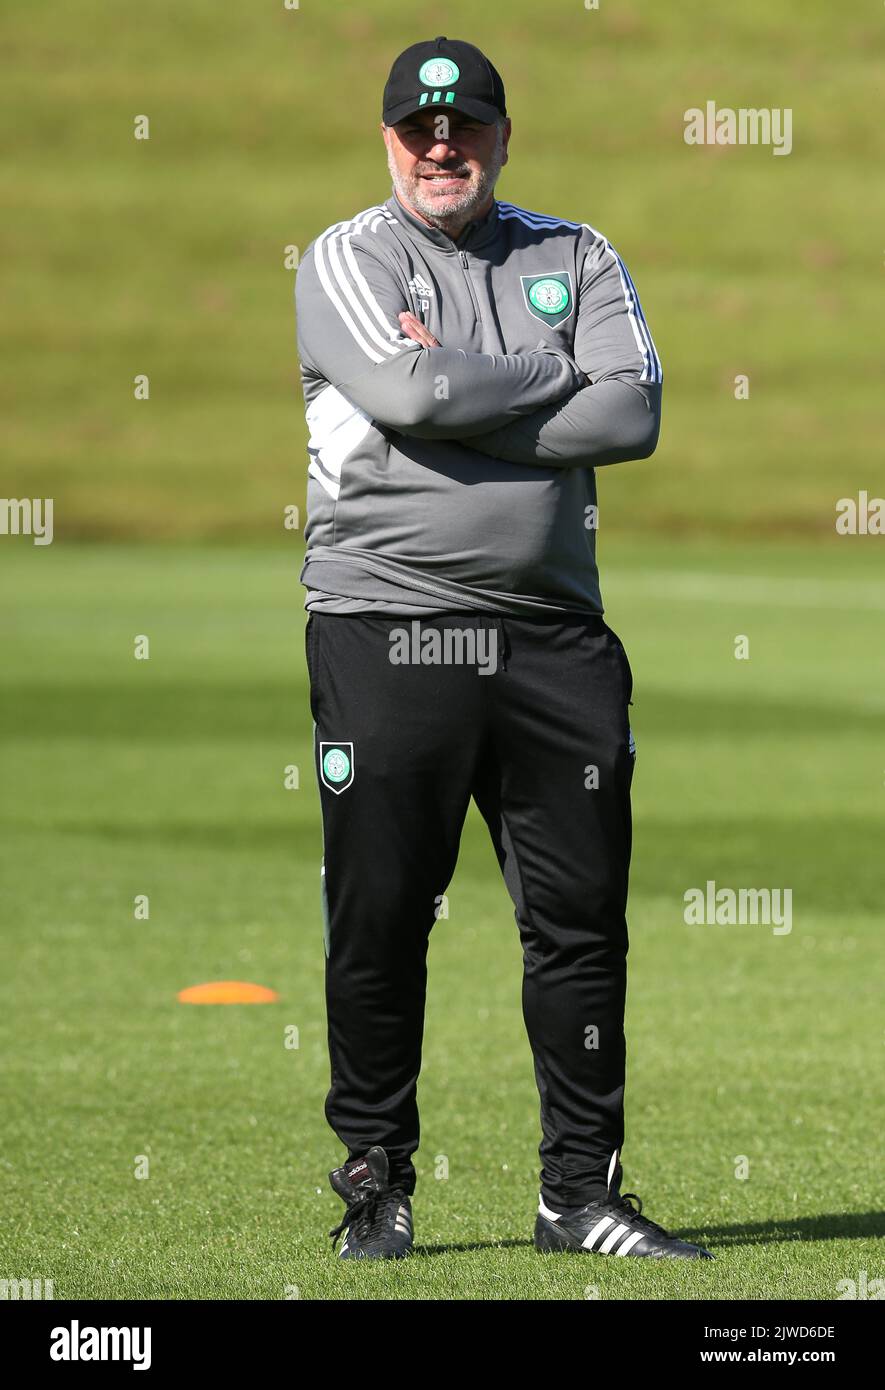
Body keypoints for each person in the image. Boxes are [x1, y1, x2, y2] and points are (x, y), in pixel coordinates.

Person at [294, 35, 712, 1262]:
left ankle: (579, 1194)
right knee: (380, 914)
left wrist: (461, 386)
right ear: (387, 139)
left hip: (553, 642)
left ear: (502, 136)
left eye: (465, 127)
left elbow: (629, 411)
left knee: (580, 925)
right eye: (420, 129)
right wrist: (540, 375)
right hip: (386, 622)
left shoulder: (572, 252)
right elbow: (407, 396)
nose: (442, 148)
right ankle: (377, 1184)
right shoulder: (347, 256)